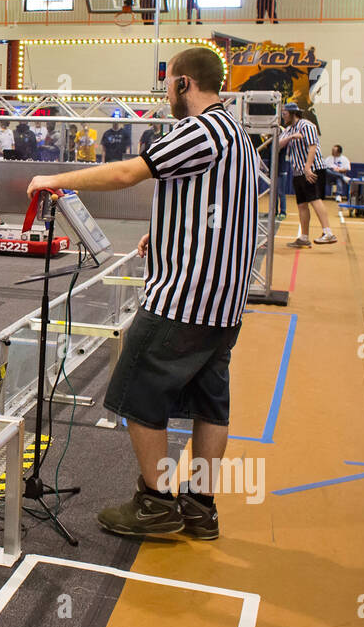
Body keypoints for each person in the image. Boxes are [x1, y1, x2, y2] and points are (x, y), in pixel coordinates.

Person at [24, 46, 259, 540]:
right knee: (210, 403)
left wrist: (55, 179)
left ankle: (155, 503)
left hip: (185, 299)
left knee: (136, 390)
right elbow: (234, 197)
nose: (165, 93)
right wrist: (172, 231)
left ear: (183, 84)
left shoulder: (201, 130)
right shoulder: (239, 134)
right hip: (226, 304)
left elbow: (128, 171)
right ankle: (200, 507)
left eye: (168, 83)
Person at [278, 102, 336, 246]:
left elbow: (313, 147)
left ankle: (328, 232)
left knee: (314, 199)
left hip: (312, 168)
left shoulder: (307, 126)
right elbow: (278, 145)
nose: (283, 117)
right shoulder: (289, 129)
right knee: (302, 204)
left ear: (292, 114)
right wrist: (291, 138)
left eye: (284, 114)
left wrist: (308, 168)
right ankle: (304, 237)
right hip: (298, 171)